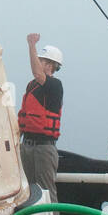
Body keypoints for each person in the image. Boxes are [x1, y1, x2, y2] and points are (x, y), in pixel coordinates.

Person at [17, 34, 64, 194]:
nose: (36, 63)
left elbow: (38, 74)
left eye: (41, 60)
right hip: (27, 145)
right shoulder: (32, 86)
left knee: (46, 191)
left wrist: (31, 45)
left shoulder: (55, 86)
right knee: (28, 192)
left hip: (44, 148)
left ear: (51, 65)